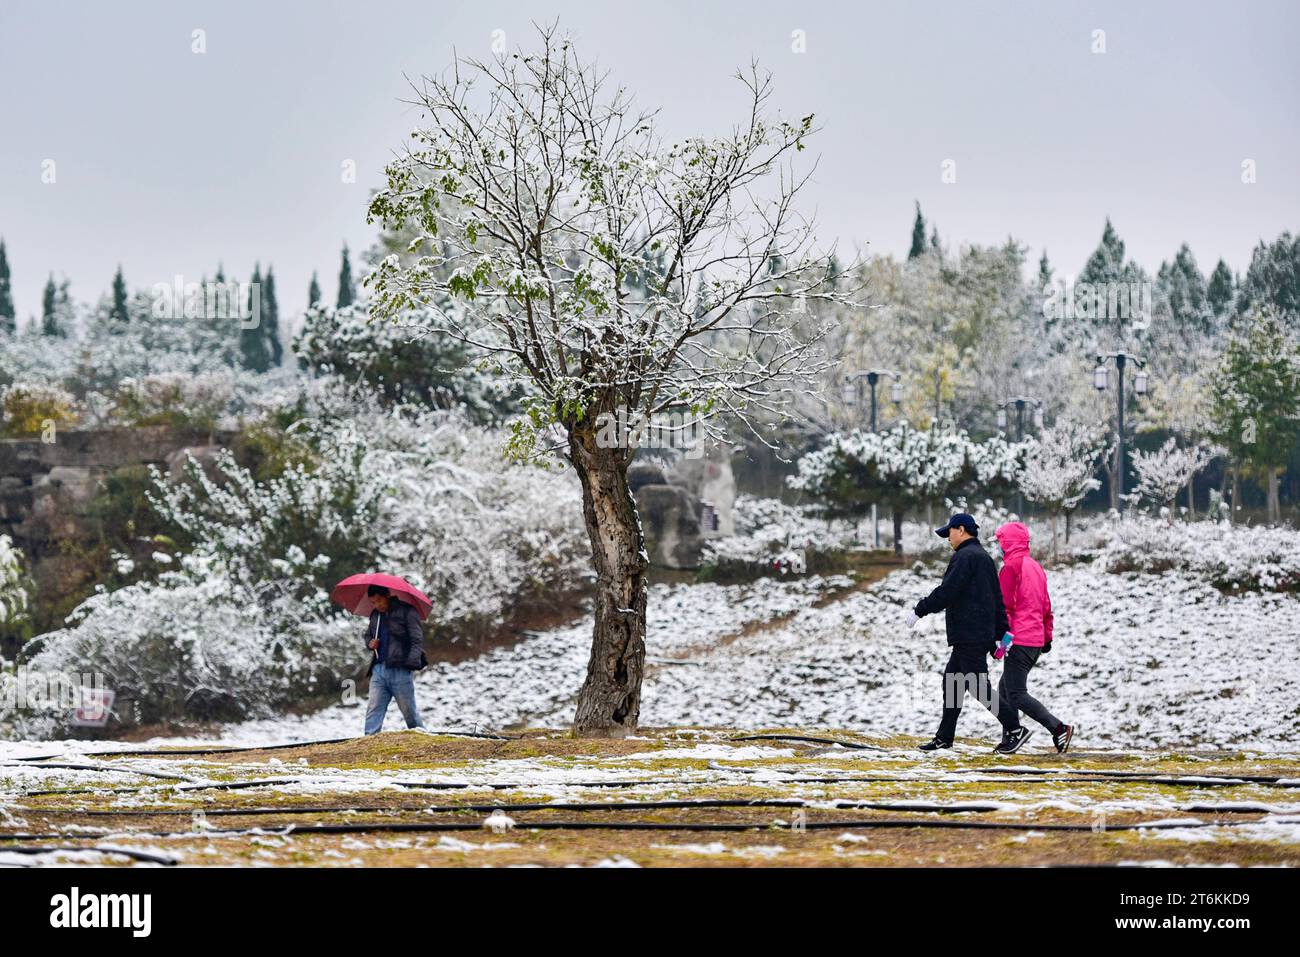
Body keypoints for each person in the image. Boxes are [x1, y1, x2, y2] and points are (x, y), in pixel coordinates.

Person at [907, 513, 1014, 753]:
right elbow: (996, 598)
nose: (948, 539)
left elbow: (947, 592)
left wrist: (920, 609)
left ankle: (1014, 728)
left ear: (962, 530)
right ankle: (944, 738)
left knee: (977, 686)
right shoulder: (983, 558)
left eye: (949, 533)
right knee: (953, 682)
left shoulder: (965, 557)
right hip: (974, 634)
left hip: (970, 634)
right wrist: (1001, 631)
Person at [993, 522, 1074, 753]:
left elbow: (1005, 609)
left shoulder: (1010, 567)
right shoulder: (1035, 567)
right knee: (1005, 688)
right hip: (1035, 640)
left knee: (1016, 694)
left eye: (1000, 542)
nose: (999, 547)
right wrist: (1047, 637)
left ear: (1007, 543)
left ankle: (1058, 728)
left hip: (1018, 640)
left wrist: (1001, 643)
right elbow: (1046, 607)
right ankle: (1011, 738)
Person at [363, 584, 428, 735]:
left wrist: (410, 664)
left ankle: (423, 739)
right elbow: (368, 635)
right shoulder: (375, 616)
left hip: (401, 669)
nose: (377, 605)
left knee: (409, 713)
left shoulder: (407, 611)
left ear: (387, 595)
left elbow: (417, 640)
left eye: (379, 600)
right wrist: (370, 643)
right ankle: (368, 742)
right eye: (373, 602)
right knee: (373, 709)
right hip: (378, 670)